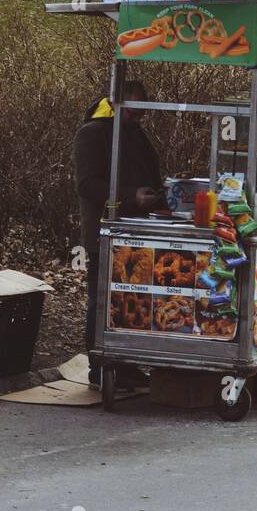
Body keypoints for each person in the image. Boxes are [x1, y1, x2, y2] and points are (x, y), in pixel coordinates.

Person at [71, 78, 165, 383]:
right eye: (132, 114)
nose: (137, 120)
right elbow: (87, 184)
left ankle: (124, 364)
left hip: (136, 228)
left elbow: (149, 169)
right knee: (103, 298)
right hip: (104, 232)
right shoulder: (92, 134)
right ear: (114, 104)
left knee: (130, 298)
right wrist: (130, 195)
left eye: (141, 115)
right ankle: (100, 365)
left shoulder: (134, 132)